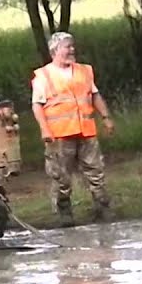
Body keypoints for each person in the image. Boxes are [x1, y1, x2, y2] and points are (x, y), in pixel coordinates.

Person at [30, 32, 115, 226]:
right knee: (61, 176)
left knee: (96, 171)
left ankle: (103, 208)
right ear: (55, 51)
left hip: (86, 131)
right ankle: (64, 213)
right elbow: (37, 105)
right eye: (67, 47)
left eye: (72, 46)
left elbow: (94, 95)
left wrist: (106, 117)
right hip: (59, 135)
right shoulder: (44, 76)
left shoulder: (83, 71)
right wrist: (44, 130)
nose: (72, 50)